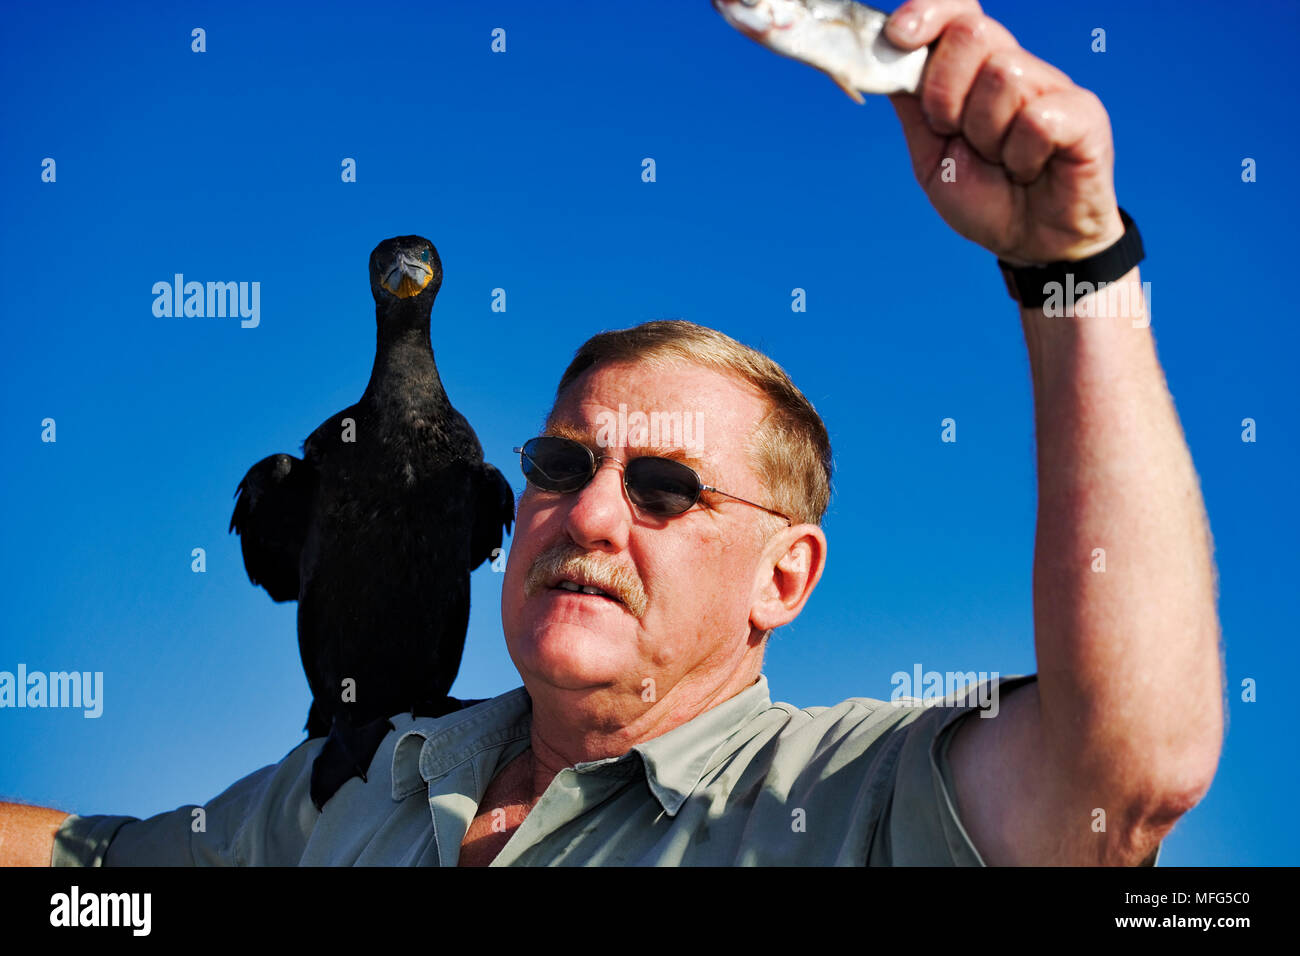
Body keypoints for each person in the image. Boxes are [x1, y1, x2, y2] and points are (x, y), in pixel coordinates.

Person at [1, 0, 1222, 867]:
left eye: (667, 487)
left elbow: (1124, 776)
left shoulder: (848, 802)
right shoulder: (362, 786)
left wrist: (1076, 273)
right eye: (560, 464)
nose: (586, 512)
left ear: (784, 574)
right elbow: (90, 877)